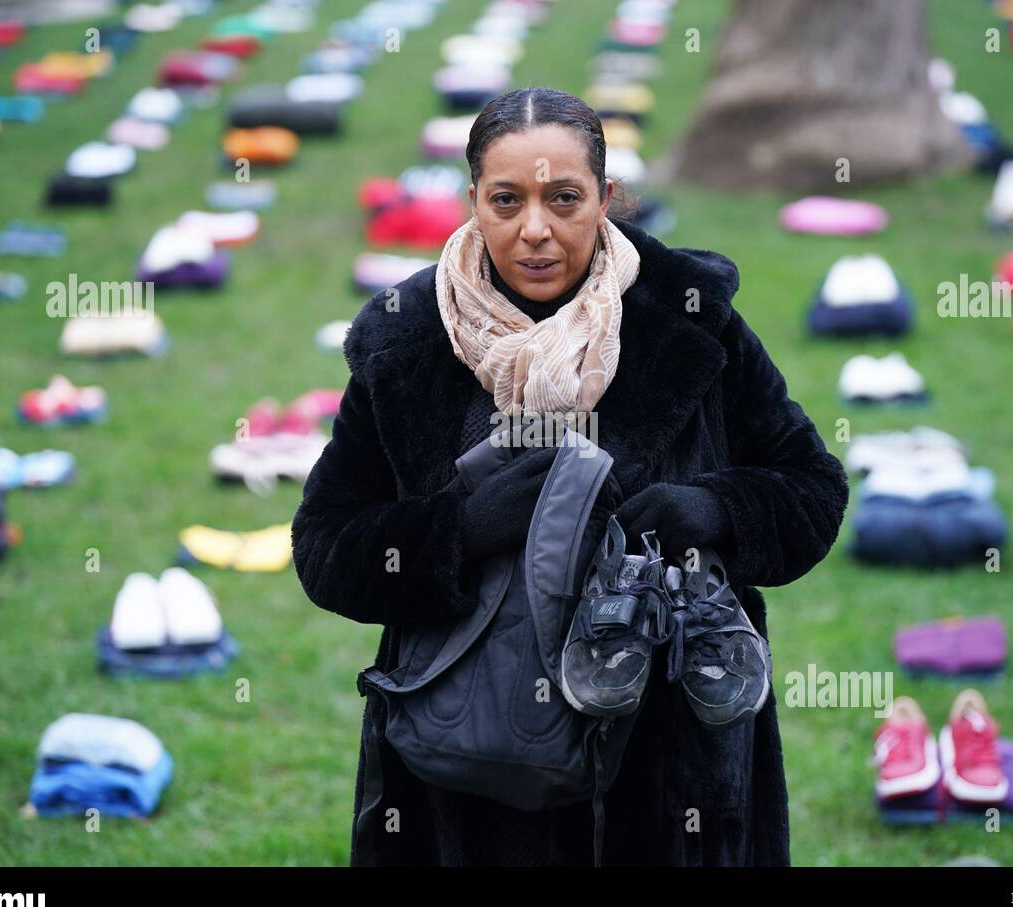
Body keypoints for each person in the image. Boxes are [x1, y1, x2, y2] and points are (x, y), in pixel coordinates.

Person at [291, 87, 848, 866]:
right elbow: (326, 547)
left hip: (669, 773)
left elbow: (813, 489)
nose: (535, 231)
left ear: (607, 198)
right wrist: (463, 528)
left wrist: (715, 508)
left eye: (564, 199)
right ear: (472, 201)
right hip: (466, 776)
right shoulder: (405, 341)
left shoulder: (689, 317)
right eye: (507, 200)